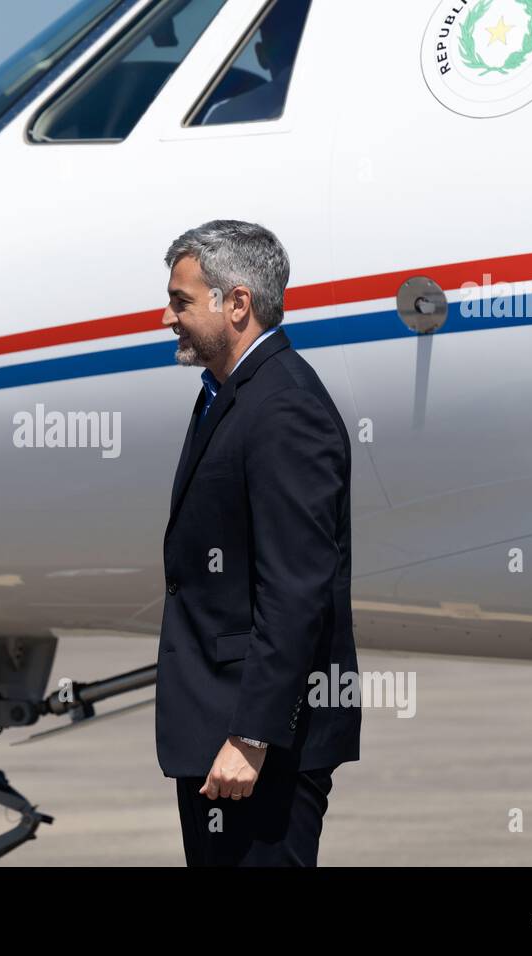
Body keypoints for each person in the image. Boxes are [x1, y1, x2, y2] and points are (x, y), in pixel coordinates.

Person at [155, 219, 360, 866]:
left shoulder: (283, 406)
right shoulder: (230, 393)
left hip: (259, 743)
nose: (168, 317)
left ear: (236, 303)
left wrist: (252, 735)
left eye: (182, 301)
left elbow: (298, 588)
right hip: (223, 730)